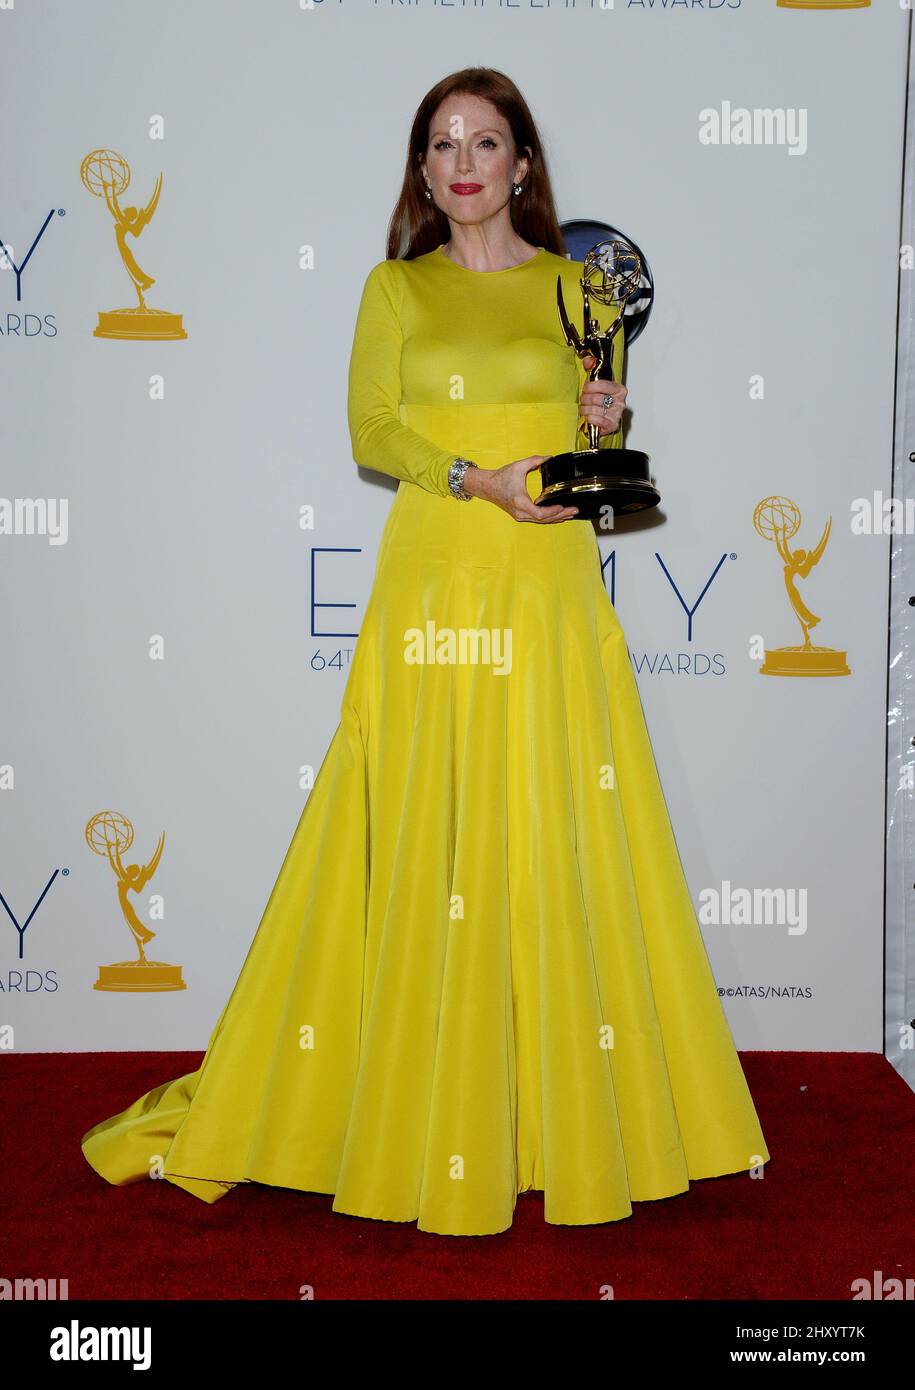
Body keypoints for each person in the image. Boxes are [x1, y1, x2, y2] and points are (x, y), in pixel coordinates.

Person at [81, 66, 770, 1237]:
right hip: (437, 578)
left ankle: (569, 1116)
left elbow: (596, 423)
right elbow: (373, 428)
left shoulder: (577, 287)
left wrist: (607, 411)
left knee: (558, 827)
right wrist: (476, 480)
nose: (463, 161)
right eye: (442, 144)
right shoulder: (393, 289)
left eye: (486, 141)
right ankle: (402, 1108)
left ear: (522, 165)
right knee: (420, 827)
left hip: (547, 585)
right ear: (423, 172)